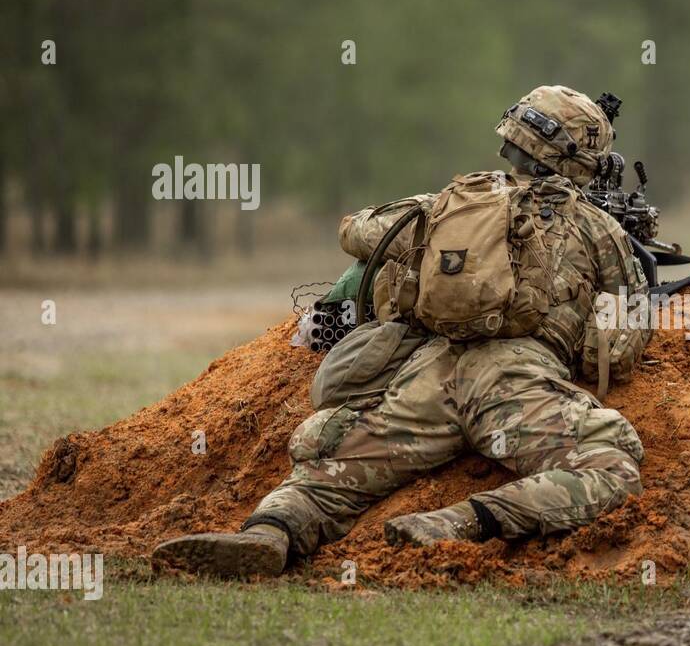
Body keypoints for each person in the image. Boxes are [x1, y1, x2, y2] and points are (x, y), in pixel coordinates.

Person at [154, 85, 650, 578]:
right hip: (516, 384)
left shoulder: (451, 205)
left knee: (329, 476)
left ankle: (269, 531)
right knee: (612, 468)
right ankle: (460, 522)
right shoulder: (598, 228)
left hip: (427, 379)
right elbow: (613, 351)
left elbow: (354, 231)